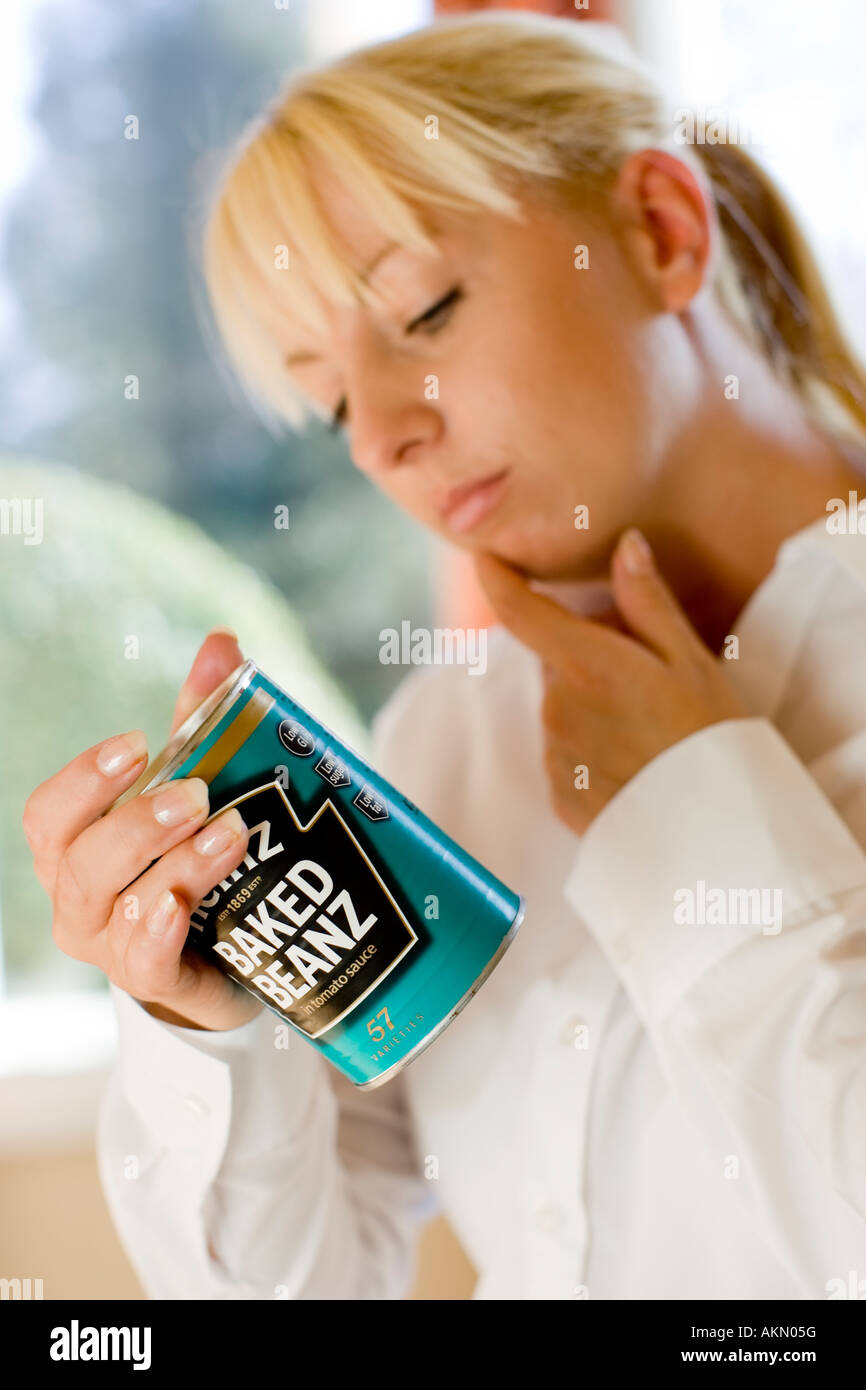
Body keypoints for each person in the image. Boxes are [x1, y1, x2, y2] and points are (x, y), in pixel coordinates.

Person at [22, 13, 866, 1300]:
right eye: (332, 398)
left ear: (658, 230)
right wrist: (214, 1023)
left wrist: (697, 802)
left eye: (424, 310)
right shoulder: (443, 748)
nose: (382, 440)